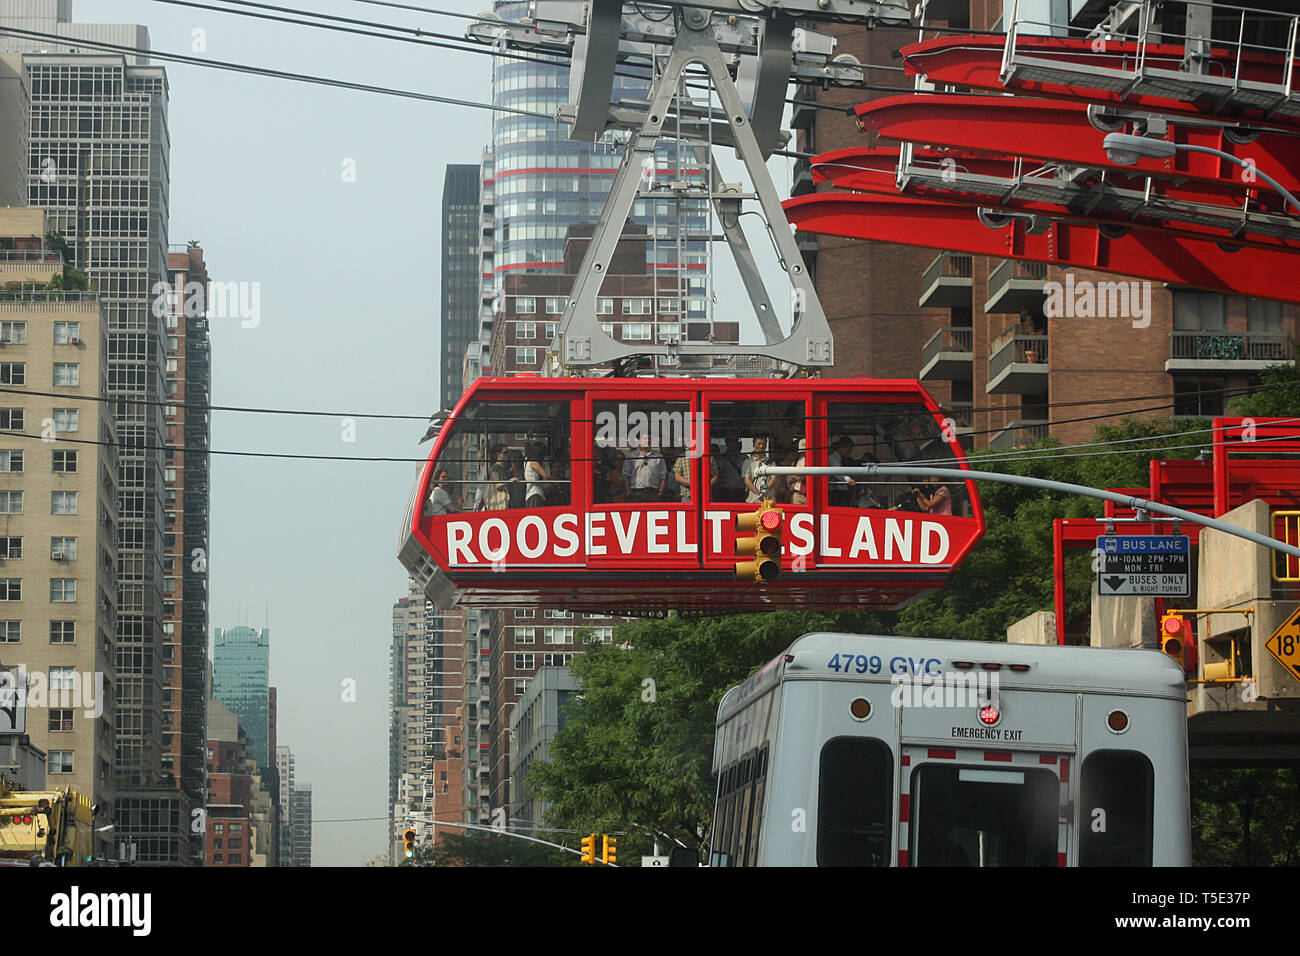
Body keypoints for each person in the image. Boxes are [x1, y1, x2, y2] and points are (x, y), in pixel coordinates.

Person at [623, 435, 667, 501]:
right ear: (640, 441)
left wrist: (660, 492)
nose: (648, 441)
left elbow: (663, 476)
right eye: (645, 439)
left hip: (653, 493)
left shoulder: (659, 457)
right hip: (636, 492)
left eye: (650, 439)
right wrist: (628, 492)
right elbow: (626, 475)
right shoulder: (631, 456)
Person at [712, 437, 745, 501]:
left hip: (740, 493)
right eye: (730, 441)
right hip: (724, 493)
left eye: (735, 441)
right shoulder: (720, 460)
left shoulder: (744, 459)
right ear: (726, 442)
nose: (733, 443)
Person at [742, 436, 770, 503]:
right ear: (753, 445)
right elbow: (747, 480)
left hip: (768, 499)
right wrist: (758, 493)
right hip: (752, 499)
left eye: (763, 444)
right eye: (759, 444)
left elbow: (774, 478)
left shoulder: (770, 461)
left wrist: (764, 492)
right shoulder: (747, 462)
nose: (761, 446)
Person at [524, 441, 550, 510]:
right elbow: (546, 476)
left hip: (530, 494)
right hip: (535, 493)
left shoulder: (527, 460)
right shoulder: (534, 462)